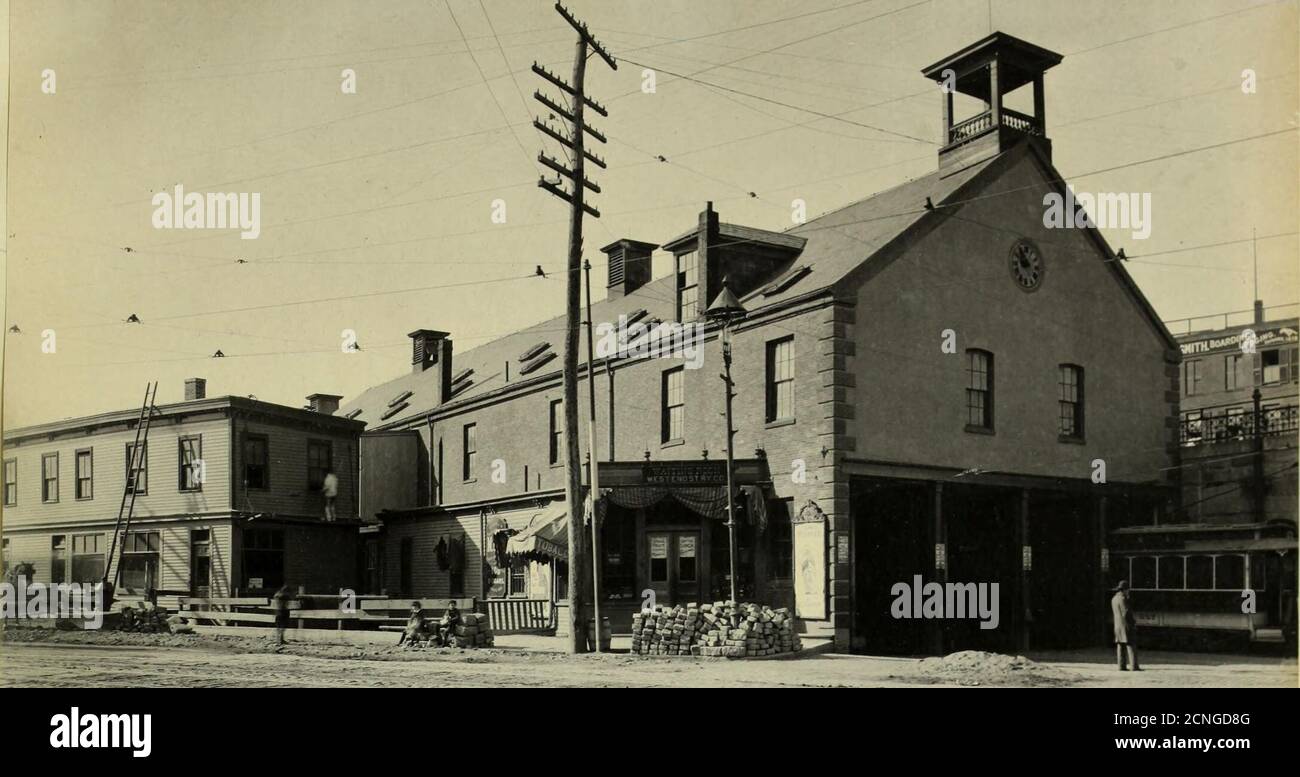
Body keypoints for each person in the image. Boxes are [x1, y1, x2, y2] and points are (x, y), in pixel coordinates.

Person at [1111, 580, 1140, 671]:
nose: (1128, 591)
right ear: (1124, 590)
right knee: (1131, 644)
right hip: (1126, 625)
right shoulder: (1123, 599)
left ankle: (1121, 666)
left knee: (1120, 645)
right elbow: (1126, 613)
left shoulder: (1114, 599)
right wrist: (1133, 622)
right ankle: (1134, 666)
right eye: (1128, 590)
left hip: (1117, 626)